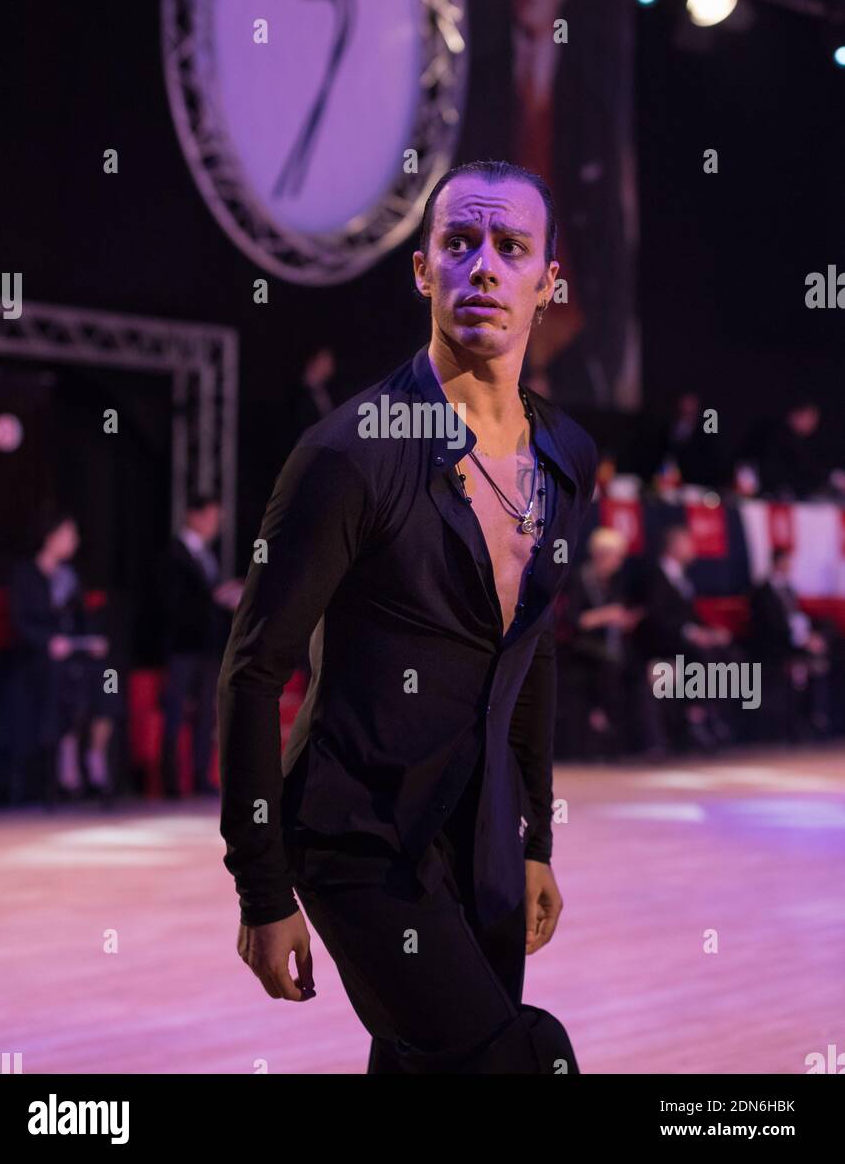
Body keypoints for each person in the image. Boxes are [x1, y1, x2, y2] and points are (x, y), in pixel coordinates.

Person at [218, 160, 598, 1074]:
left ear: (548, 281)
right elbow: (253, 670)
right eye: (458, 242)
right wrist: (263, 891)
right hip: (358, 841)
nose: (482, 267)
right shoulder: (346, 455)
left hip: (483, 840)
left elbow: (530, 654)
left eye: (510, 248)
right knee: (522, 1057)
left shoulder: (566, 455)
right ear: (421, 268)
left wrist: (535, 838)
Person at [8, 510, 112, 804]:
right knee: (64, 681)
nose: (74, 541)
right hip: (40, 658)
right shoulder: (26, 574)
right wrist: (47, 642)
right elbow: (21, 622)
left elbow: (81, 617)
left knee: (108, 676)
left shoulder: (70, 575)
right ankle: (65, 757)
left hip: (74, 654)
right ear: (51, 536)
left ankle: (96, 753)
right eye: (69, 534)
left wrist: (93, 639)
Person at [157, 497, 241, 797]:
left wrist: (225, 599)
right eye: (211, 517)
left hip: (208, 645)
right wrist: (214, 598)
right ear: (194, 515)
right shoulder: (173, 554)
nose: (215, 525)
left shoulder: (207, 555)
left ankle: (201, 776)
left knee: (207, 712)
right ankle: (170, 781)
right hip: (182, 644)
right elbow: (172, 603)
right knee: (176, 710)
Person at [638, 525, 735, 753]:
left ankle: (708, 712)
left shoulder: (682, 577)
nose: (693, 549)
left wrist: (710, 632)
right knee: (702, 655)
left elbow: (691, 616)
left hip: (685, 641)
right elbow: (658, 617)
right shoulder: (655, 576)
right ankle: (695, 715)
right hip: (663, 643)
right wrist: (692, 633)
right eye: (688, 543)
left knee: (728, 654)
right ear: (673, 546)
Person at [559, 527, 643, 760]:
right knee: (608, 672)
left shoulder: (614, 583)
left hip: (610, 647)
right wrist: (606, 616)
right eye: (616, 556)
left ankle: (636, 744)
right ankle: (599, 736)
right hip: (583, 649)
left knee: (637, 671)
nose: (619, 562)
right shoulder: (580, 579)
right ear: (601, 554)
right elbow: (574, 621)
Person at [749, 547, 831, 742]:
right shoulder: (762, 592)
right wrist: (802, 640)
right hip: (775, 647)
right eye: (787, 561)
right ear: (777, 563)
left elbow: (798, 620)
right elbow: (770, 626)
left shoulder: (789, 590)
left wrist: (810, 637)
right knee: (802, 663)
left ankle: (816, 717)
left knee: (823, 655)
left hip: (796, 644)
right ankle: (796, 723)